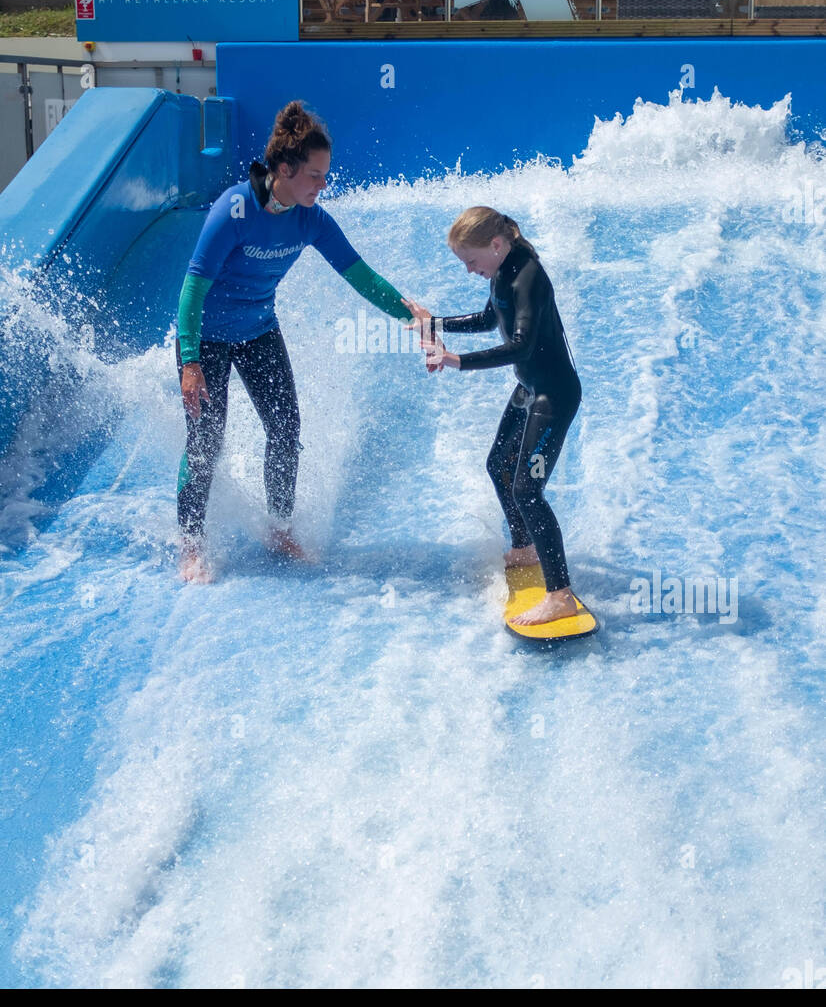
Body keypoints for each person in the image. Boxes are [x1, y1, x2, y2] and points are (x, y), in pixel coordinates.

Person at [176, 101, 415, 583]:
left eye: (324, 175)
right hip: (207, 338)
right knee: (206, 440)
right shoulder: (235, 209)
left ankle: (279, 529)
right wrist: (189, 360)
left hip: (259, 330)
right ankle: (190, 544)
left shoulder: (312, 220)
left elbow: (360, 277)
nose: (322, 185)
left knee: (286, 429)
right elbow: (193, 287)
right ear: (283, 169)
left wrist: (411, 314)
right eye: (314, 175)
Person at [407, 207, 581, 626]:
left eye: (470, 261)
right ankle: (525, 546)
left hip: (553, 396)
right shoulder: (501, 272)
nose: (469, 270)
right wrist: (437, 323)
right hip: (529, 390)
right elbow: (491, 318)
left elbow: (520, 346)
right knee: (498, 465)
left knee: (527, 491)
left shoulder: (528, 276)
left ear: (496, 245)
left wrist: (456, 360)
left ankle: (560, 595)